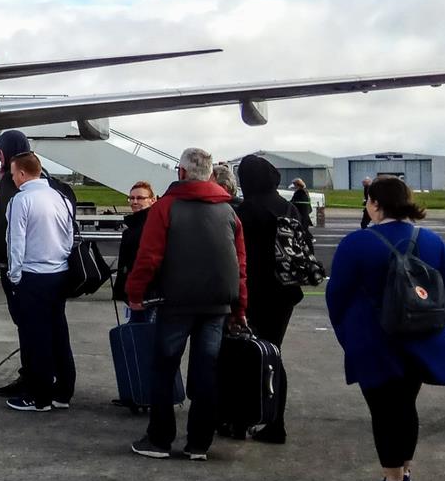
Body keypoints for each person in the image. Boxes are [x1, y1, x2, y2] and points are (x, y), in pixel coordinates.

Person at [324, 176, 445, 481]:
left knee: (384, 409)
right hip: (420, 337)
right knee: (405, 405)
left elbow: (337, 297)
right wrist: (438, 327)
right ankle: (404, 470)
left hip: (374, 340)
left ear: (376, 204)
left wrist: (347, 335)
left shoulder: (356, 243)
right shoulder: (431, 241)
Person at [125, 147, 247, 461]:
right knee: (207, 371)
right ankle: (199, 443)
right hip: (217, 305)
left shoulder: (166, 208)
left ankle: (160, 438)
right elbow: (240, 266)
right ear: (210, 175)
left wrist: (135, 294)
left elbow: (149, 257)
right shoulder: (229, 211)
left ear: (180, 173)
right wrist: (239, 308)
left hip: (176, 302)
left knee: (164, 369)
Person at [235, 154, 308, 443]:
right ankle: (275, 421)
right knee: (273, 354)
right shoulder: (288, 207)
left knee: (247, 356)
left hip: (255, 293)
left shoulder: (247, 210)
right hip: (286, 292)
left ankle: (243, 417)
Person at [3, 152, 76, 412]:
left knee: (35, 337)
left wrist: (14, 276)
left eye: (13, 173)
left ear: (22, 174)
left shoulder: (21, 200)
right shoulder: (61, 197)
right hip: (59, 272)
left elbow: (15, 241)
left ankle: (39, 395)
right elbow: (69, 237)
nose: (12, 178)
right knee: (58, 333)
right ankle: (63, 391)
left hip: (33, 276)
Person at [0, 129, 35, 396]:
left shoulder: (15, 184)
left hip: (18, 268)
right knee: (28, 325)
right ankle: (37, 376)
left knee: (28, 326)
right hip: (17, 265)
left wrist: (11, 270)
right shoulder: (17, 180)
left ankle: (32, 379)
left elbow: (10, 228)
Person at [112, 181, 156, 303]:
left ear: (152, 200)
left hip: (144, 293)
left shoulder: (149, 227)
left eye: (140, 198)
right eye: (131, 198)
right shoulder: (135, 226)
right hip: (137, 291)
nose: (134, 202)